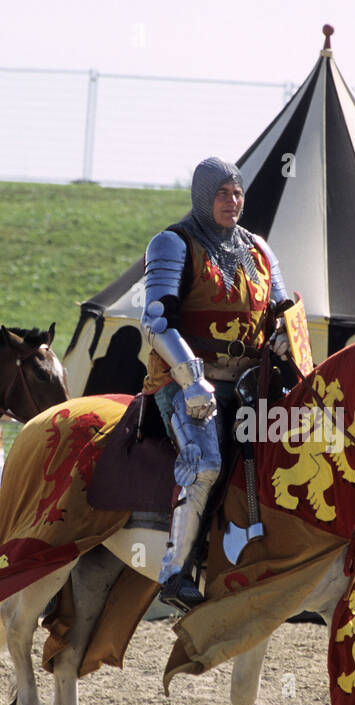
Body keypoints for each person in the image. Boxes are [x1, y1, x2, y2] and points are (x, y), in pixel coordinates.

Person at [140, 156, 294, 608]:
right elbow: (155, 321)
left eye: (238, 193)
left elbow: (285, 316)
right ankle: (176, 573)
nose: (233, 201)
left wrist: (285, 340)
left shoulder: (261, 251)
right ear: (203, 196)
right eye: (223, 193)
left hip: (252, 384)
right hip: (188, 380)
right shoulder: (173, 243)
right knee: (205, 462)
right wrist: (190, 380)